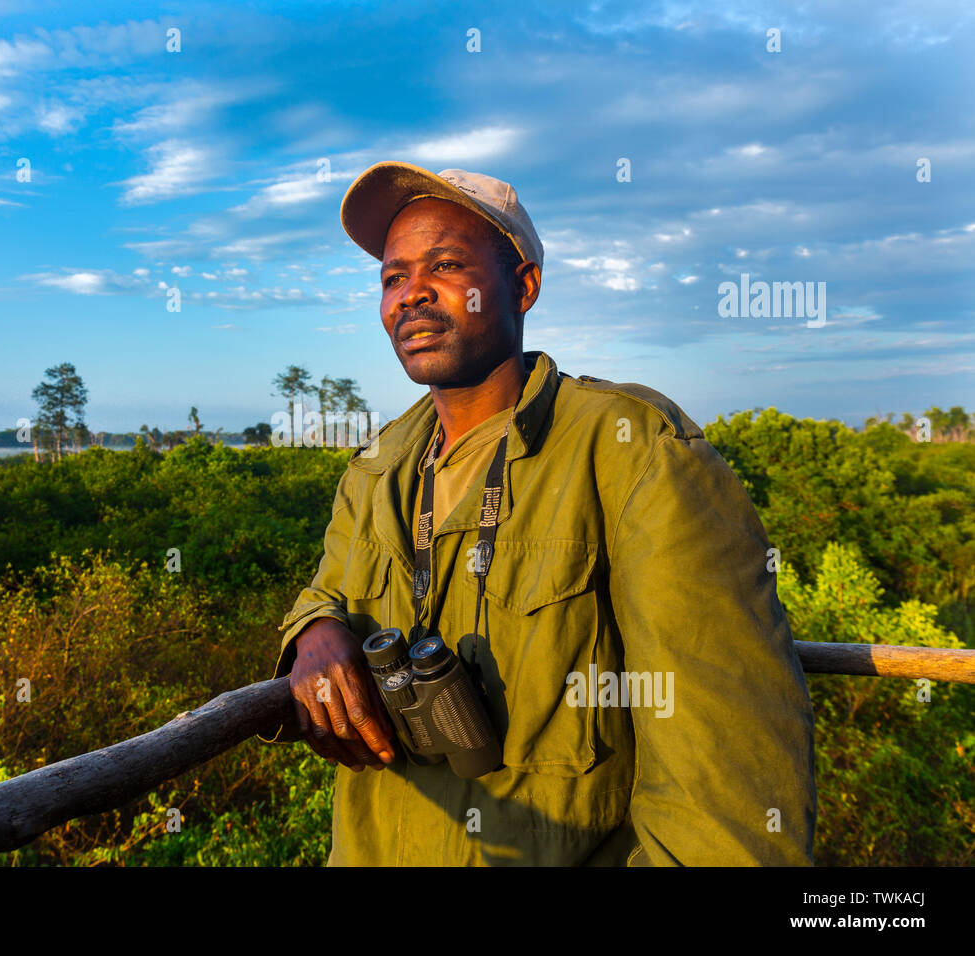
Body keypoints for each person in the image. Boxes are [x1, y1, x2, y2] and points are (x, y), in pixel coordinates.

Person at [258, 161, 817, 866]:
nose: (411, 295)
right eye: (392, 277)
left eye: (447, 264)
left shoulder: (629, 452)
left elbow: (726, 779)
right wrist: (314, 632)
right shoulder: (377, 468)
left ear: (523, 287)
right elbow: (326, 591)